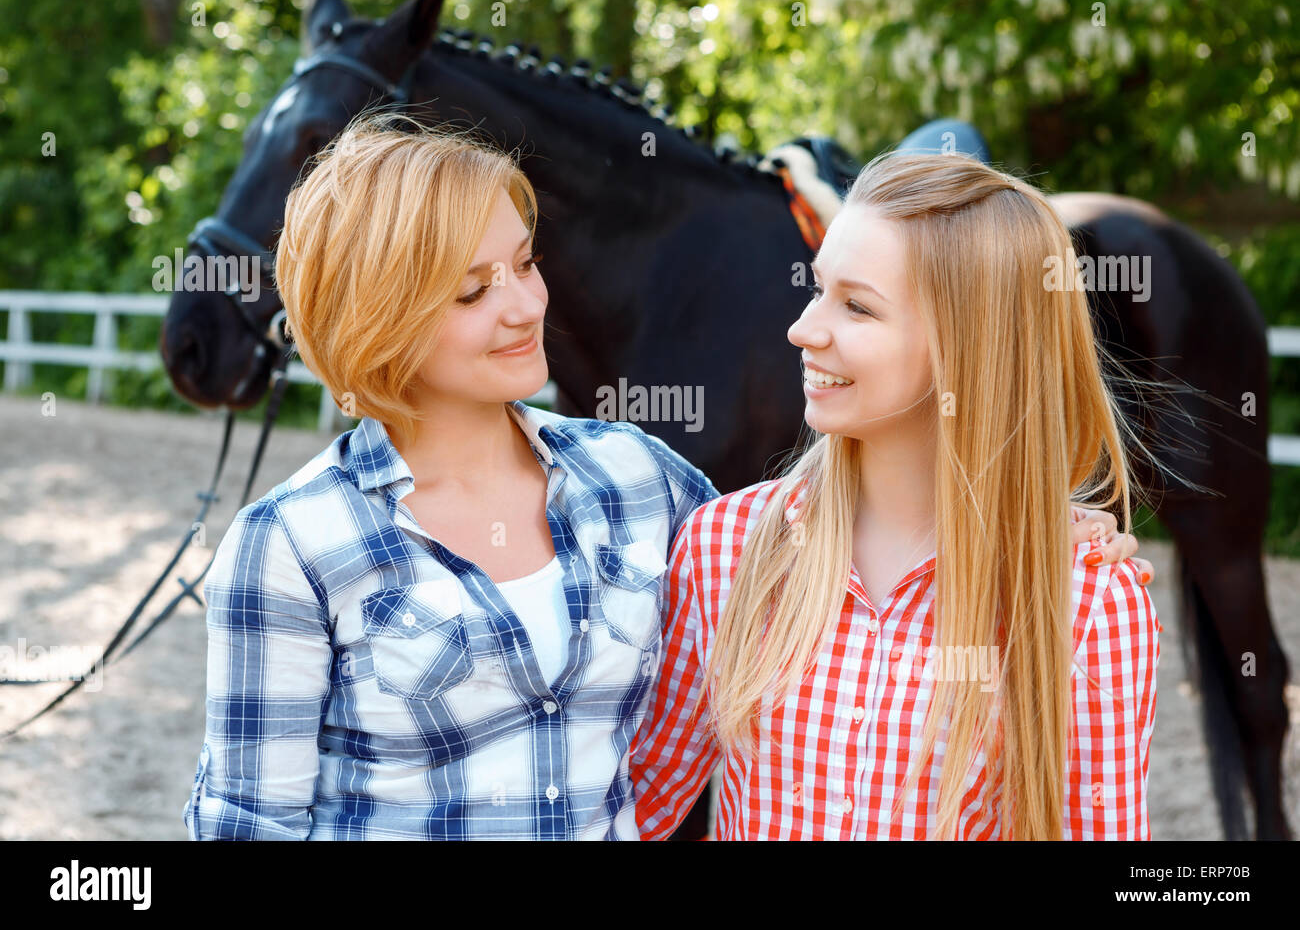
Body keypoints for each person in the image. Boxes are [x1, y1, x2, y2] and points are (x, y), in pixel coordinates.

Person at [182, 113, 1147, 839]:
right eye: (473, 290)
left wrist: (1048, 522)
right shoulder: (293, 545)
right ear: (380, 316)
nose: (523, 306)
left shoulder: (643, 486)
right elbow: (245, 822)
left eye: (524, 264)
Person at [630, 151, 1162, 840]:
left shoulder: (1088, 602)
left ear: (969, 348)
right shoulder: (723, 547)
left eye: (857, 307)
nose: (803, 329)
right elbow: (636, 809)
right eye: (819, 289)